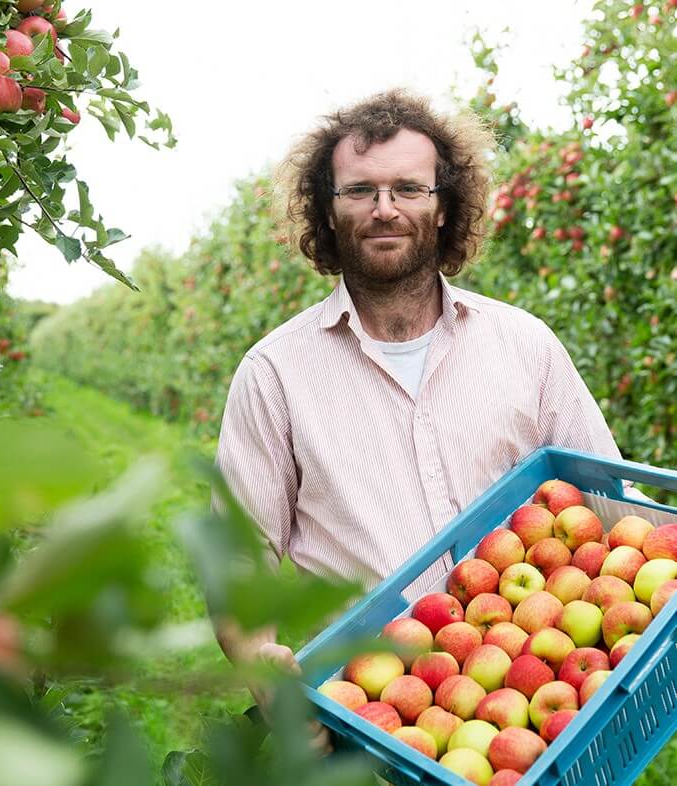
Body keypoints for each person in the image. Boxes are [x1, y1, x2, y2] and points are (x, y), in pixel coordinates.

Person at [210, 88, 631, 749]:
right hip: (367, 710)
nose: (385, 209)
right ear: (327, 208)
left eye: (409, 188)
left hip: (543, 703)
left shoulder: (524, 345)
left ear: (443, 207)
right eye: (360, 191)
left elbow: (612, 509)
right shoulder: (275, 374)